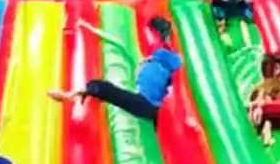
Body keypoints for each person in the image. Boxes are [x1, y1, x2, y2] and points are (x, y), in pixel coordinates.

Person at [48, 16, 182, 125]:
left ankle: (74, 96)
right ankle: (77, 96)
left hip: (146, 105)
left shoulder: (166, 58)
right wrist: (88, 27)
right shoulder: (157, 59)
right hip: (148, 104)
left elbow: (172, 82)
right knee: (106, 88)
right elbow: (118, 43)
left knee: (104, 87)